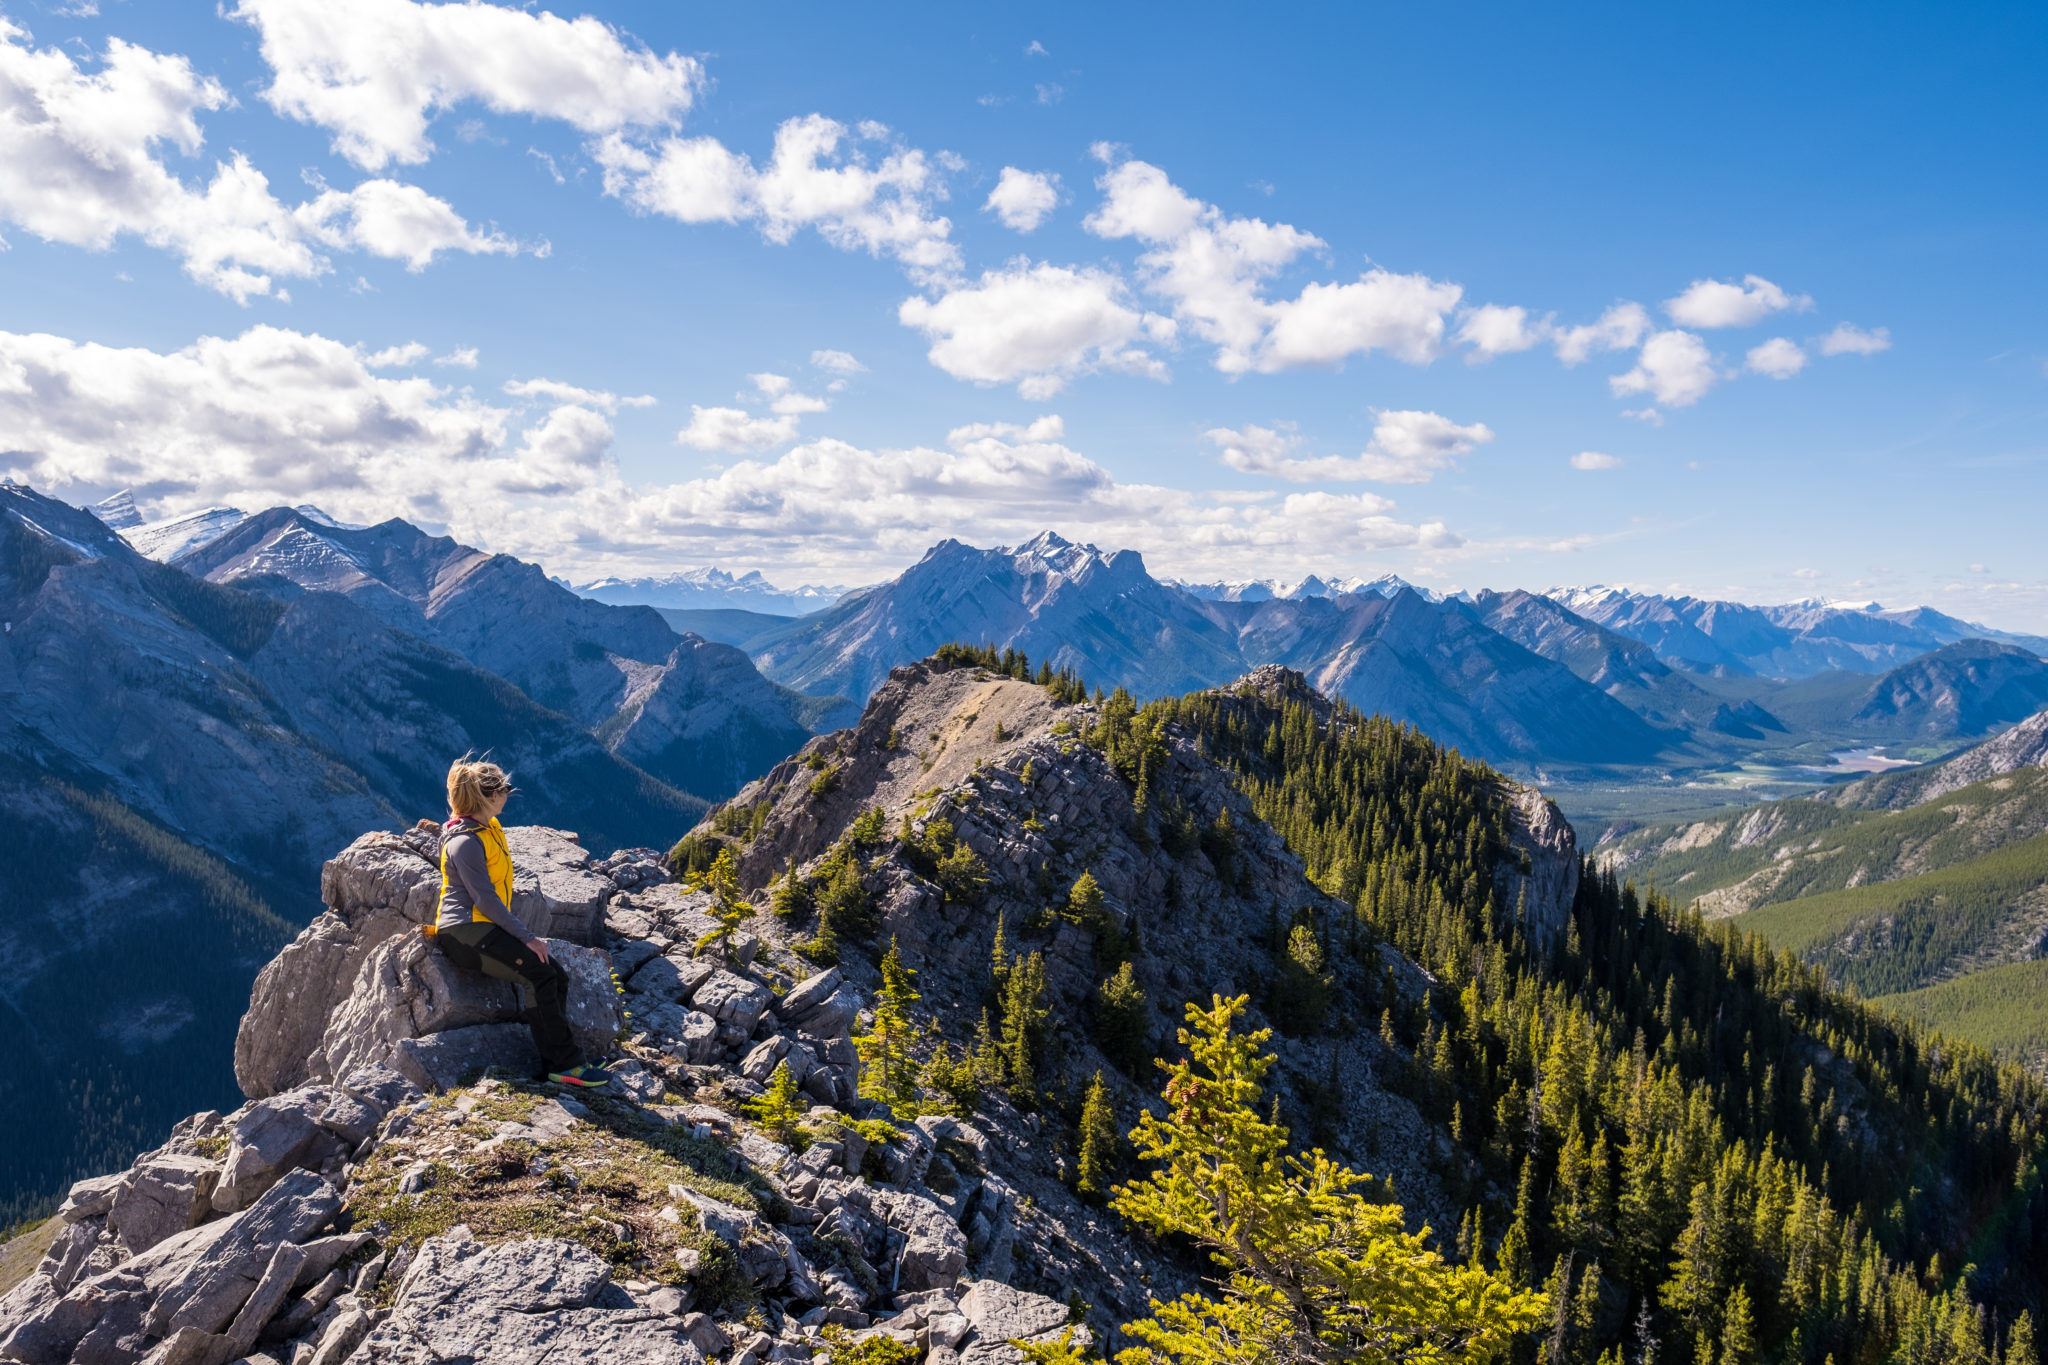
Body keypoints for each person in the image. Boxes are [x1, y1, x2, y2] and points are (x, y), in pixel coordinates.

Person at [433, 757, 611, 1089]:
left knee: (554, 974)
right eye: (504, 789)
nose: (508, 794)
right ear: (489, 797)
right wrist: (528, 937)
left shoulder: (488, 829)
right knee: (540, 974)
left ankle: (560, 1061)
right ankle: (566, 1066)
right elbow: (484, 900)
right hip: (464, 933)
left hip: (483, 927)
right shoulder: (465, 842)